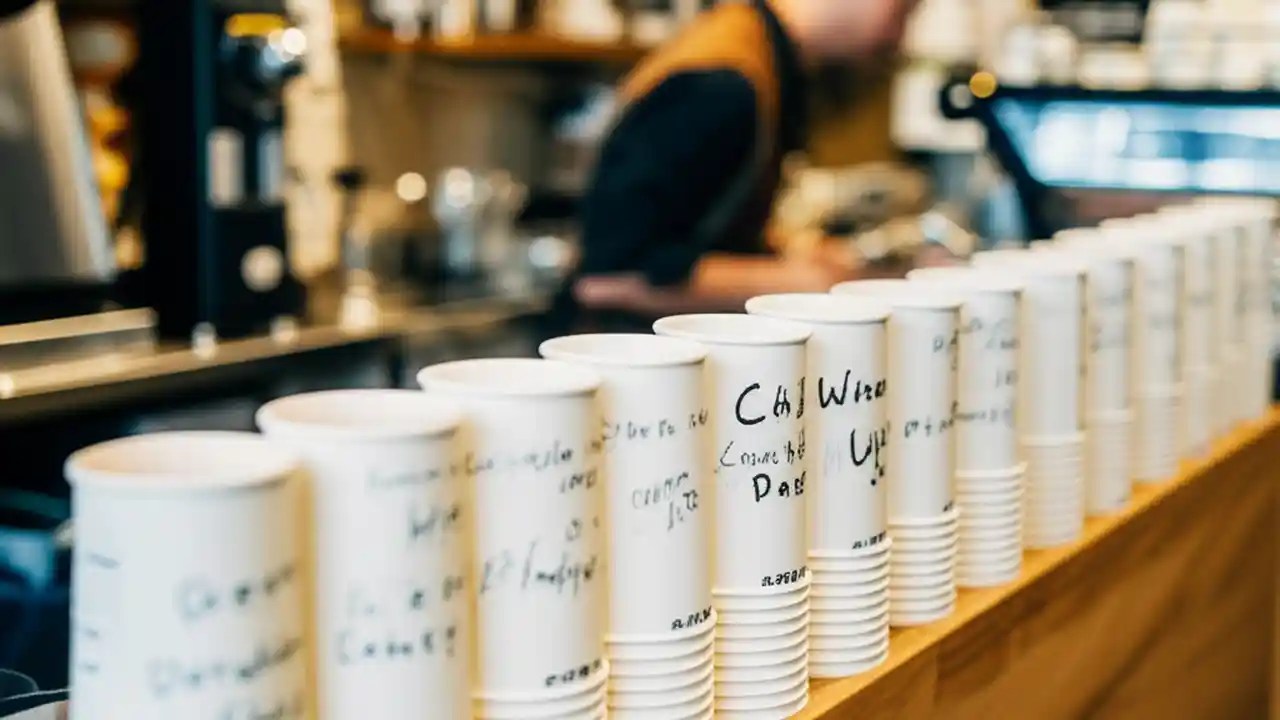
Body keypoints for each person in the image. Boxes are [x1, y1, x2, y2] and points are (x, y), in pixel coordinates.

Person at [550, 0, 918, 331]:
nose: (899, 37)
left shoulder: (757, 53)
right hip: (630, 359)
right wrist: (813, 280)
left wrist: (791, 254)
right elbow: (609, 275)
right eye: (905, 10)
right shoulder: (720, 82)